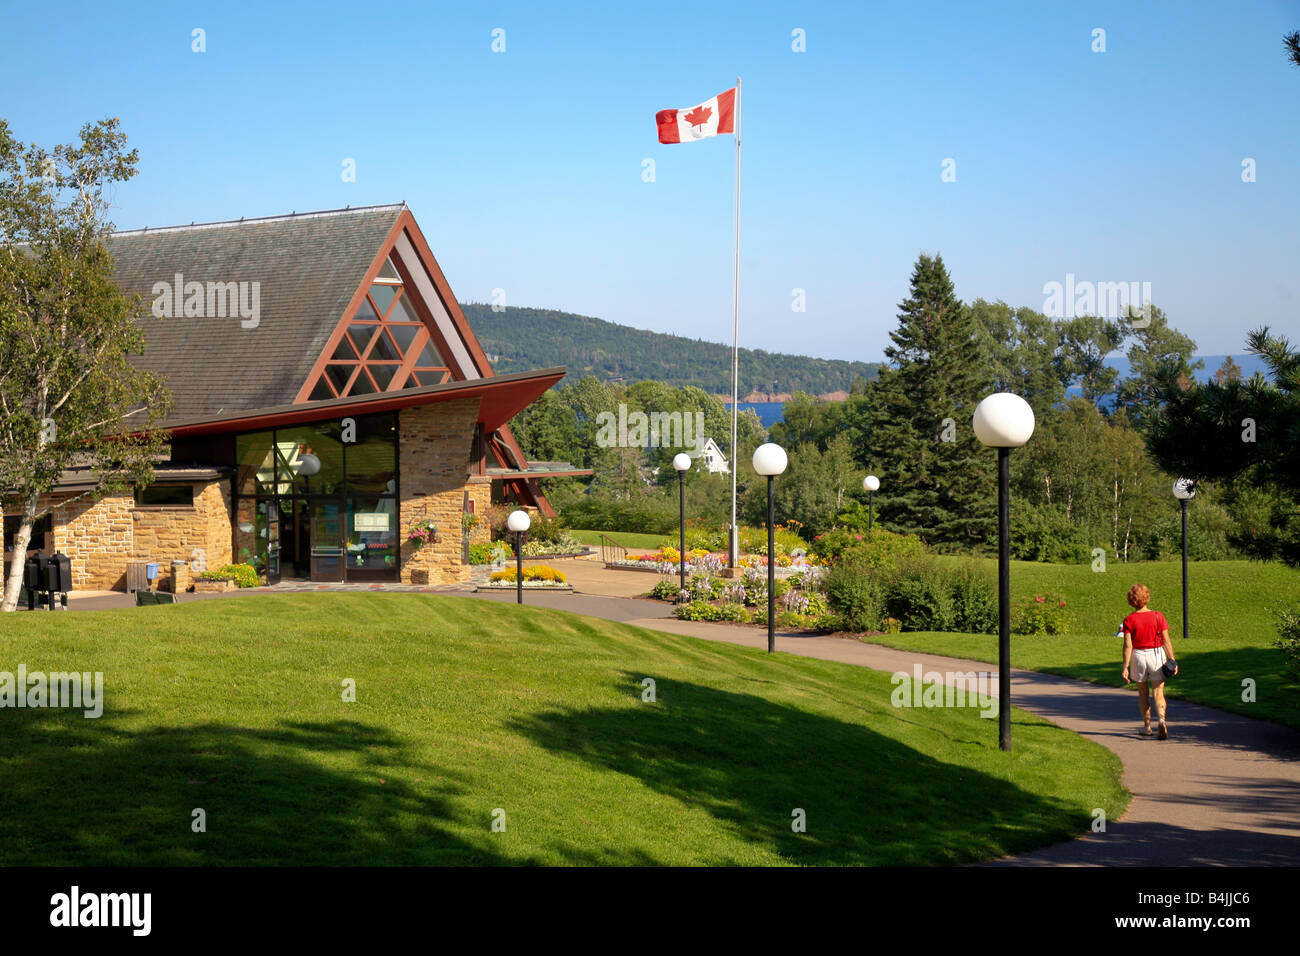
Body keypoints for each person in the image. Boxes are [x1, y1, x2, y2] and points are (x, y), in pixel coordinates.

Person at [1120, 583, 1178, 739]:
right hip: (1156, 655)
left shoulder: (1129, 620)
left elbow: (1128, 645)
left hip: (1138, 656)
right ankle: (1161, 720)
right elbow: (1166, 640)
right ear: (1147, 597)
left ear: (1131, 600)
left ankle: (1147, 727)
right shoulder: (1158, 616)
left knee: (1143, 693)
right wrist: (1172, 659)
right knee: (1158, 691)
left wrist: (1125, 666)